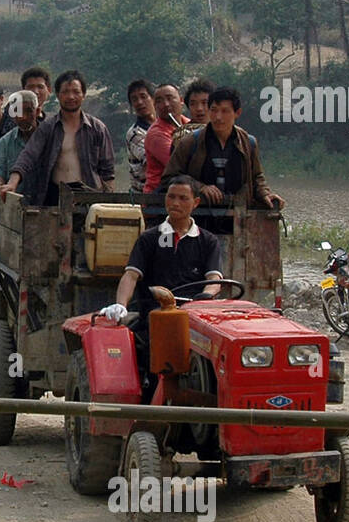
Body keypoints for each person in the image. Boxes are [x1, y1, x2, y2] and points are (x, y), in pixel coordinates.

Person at [100, 177, 223, 390]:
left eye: (183, 198)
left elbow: (214, 280)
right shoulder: (149, 238)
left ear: (195, 203)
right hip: (156, 312)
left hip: (195, 312)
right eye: (171, 197)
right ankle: (153, 387)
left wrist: (206, 296)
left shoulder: (208, 241)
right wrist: (121, 304)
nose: (175, 203)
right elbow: (130, 276)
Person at [160, 86, 285, 211]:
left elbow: (256, 177)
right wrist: (200, 187)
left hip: (237, 214)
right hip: (198, 214)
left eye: (225, 111)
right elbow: (170, 177)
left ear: (237, 113)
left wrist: (266, 195)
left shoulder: (248, 143)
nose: (218, 117)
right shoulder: (190, 142)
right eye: (214, 110)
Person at [0, 70, 116, 205]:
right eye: (65, 92)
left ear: (83, 95)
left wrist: (109, 202)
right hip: (56, 195)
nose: (71, 97)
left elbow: (108, 171)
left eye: (76, 92)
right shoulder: (48, 128)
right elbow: (28, 156)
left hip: (89, 196)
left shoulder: (97, 129)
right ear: (57, 95)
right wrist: (12, 183)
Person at [143, 83, 191, 193]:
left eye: (170, 98)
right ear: (155, 106)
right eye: (159, 101)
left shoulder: (188, 124)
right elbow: (178, 164)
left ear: (181, 100)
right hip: (159, 196)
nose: (166, 104)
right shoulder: (156, 134)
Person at [0, 89, 39, 188]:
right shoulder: (5, 142)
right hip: (15, 201)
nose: (23, 117)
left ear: (37, 111)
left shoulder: (49, 137)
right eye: (18, 111)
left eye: (28, 111)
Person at [125, 80, 157, 193]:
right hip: (145, 197)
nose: (139, 102)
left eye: (143, 96)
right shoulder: (135, 134)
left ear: (153, 99)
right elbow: (153, 162)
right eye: (134, 99)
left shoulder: (167, 126)